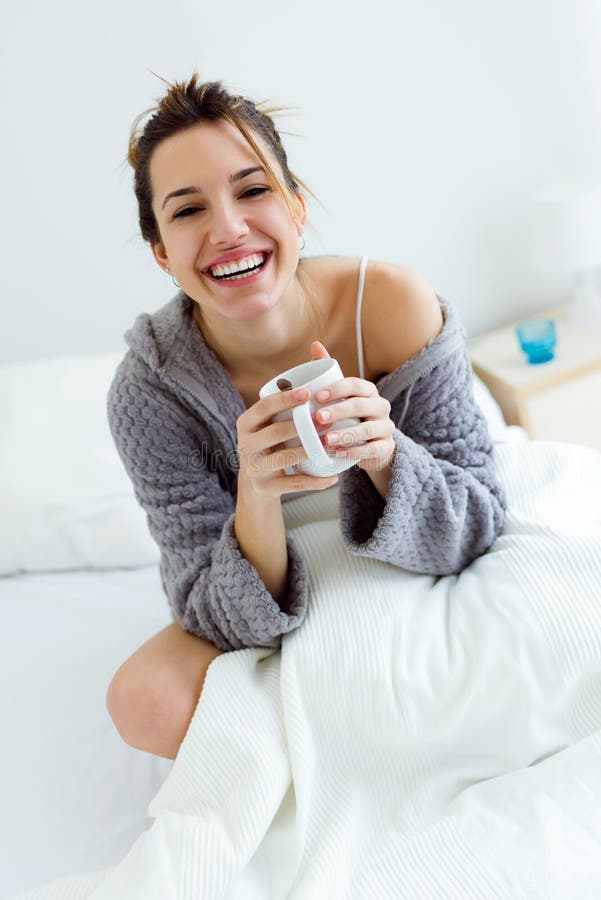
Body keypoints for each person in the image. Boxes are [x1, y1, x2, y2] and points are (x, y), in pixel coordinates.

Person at [105, 72, 507, 760]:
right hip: (270, 574)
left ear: (295, 209)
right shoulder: (151, 390)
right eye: (187, 209)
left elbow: (472, 526)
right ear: (162, 253)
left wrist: (384, 455)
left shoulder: (389, 306)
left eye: (252, 190)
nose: (228, 229)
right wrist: (257, 495)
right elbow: (211, 611)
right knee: (141, 699)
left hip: (401, 551)